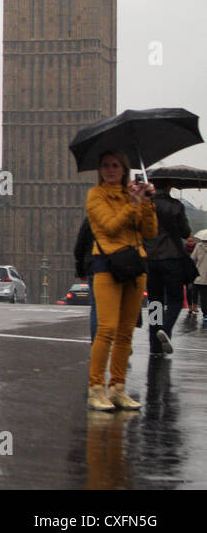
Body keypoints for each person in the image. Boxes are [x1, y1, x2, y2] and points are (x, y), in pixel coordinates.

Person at [85, 151, 157, 411]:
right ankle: (96, 388)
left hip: (135, 267)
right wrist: (133, 204)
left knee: (126, 333)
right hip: (107, 265)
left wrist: (146, 203)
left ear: (124, 169)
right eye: (105, 165)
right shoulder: (96, 196)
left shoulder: (132, 196)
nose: (111, 170)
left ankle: (117, 388)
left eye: (115, 165)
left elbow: (150, 231)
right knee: (107, 329)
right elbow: (111, 226)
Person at [144, 180, 191, 355]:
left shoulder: (146, 205)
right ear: (169, 186)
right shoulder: (175, 205)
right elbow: (185, 232)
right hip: (171, 258)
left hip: (151, 260)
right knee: (176, 300)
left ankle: (154, 345)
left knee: (155, 302)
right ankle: (166, 328)